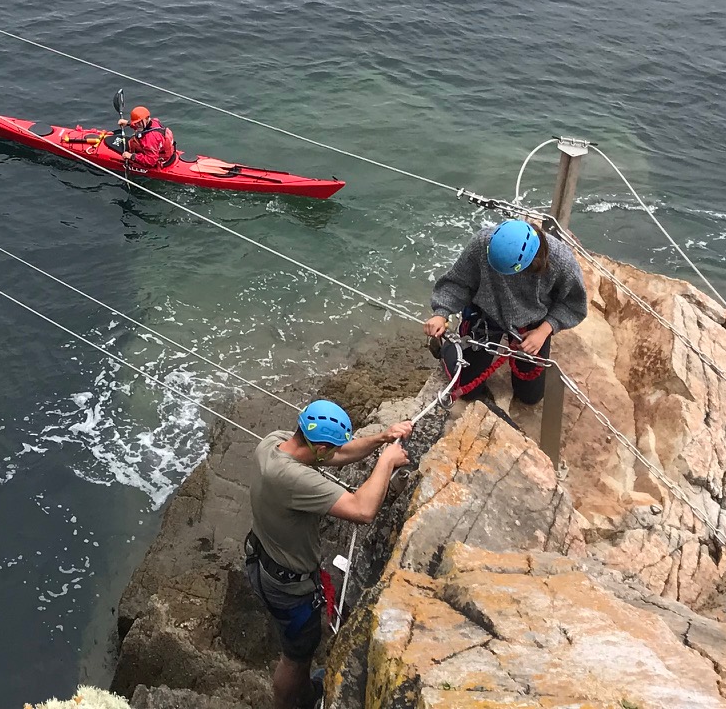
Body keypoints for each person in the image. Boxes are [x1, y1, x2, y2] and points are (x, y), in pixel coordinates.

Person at [247, 400, 414, 709]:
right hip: (289, 588)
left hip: (261, 559)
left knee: (294, 649)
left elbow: (337, 454)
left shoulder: (275, 442)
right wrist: (386, 462)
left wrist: (381, 439)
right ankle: (289, 702)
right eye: (330, 447)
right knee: (296, 657)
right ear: (320, 445)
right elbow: (362, 510)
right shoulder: (291, 478)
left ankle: (307, 694)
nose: (335, 452)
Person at [424, 218, 586, 416]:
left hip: (532, 323)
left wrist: (544, 331)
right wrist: (441, 313)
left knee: (530, 396)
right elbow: (459, 282)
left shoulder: (561, 262)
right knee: (468, 390)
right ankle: (449, 345)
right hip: (487, 314)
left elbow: (573, 303)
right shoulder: (482, 245)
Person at [110, 105, 177, 169]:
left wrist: (131, 156)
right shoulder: (154, 121)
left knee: (135, 142)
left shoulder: (151, 138)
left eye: (139, 122)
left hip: (158, 159)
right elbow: (142, 127)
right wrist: (128, 123)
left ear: (147, 118)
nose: (136, 124)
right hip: (164, 152)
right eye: (135, 122)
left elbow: (151, 161)